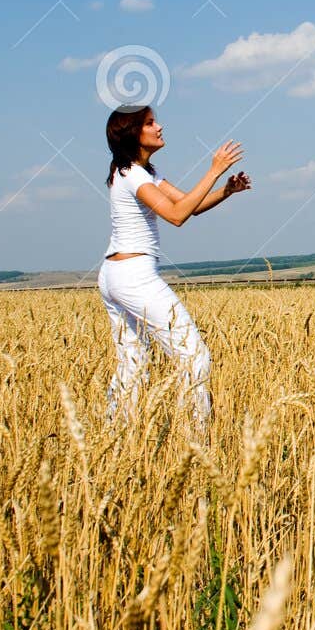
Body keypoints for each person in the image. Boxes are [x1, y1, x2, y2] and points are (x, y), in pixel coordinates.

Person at [98, 105, 250, 430]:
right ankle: (193, 441)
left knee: (133, 364)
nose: (159, 127)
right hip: (135, 276)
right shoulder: (134, 176)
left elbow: (188, 204)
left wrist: (226, 190)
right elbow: (177, 216)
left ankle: (114, 435)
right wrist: (214, 170)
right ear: (132, 133)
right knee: (194, 356)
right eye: (150, 123)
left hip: (114, 275)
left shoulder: (138, 173)